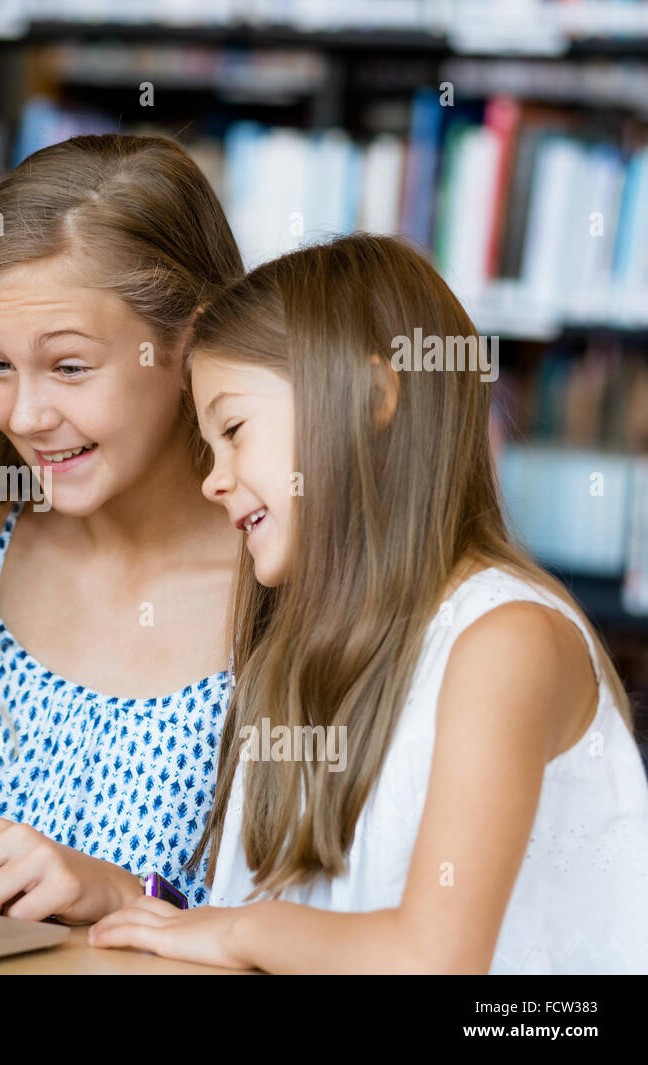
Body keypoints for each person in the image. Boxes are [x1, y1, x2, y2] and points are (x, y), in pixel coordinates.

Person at [89, 234, 648, 973]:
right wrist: (119, 894)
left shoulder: (505, 641)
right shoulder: (298, 652)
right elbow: (302, 935)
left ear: (371, 398)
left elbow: (432, 960)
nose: (212, 480)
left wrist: (240, 930)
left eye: (233, 431)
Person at [0, 133, 246, 921]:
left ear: (193, 337)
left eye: (71, 366)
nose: (24, 413)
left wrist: (123, 894)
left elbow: (324, 935)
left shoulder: (281, 584)